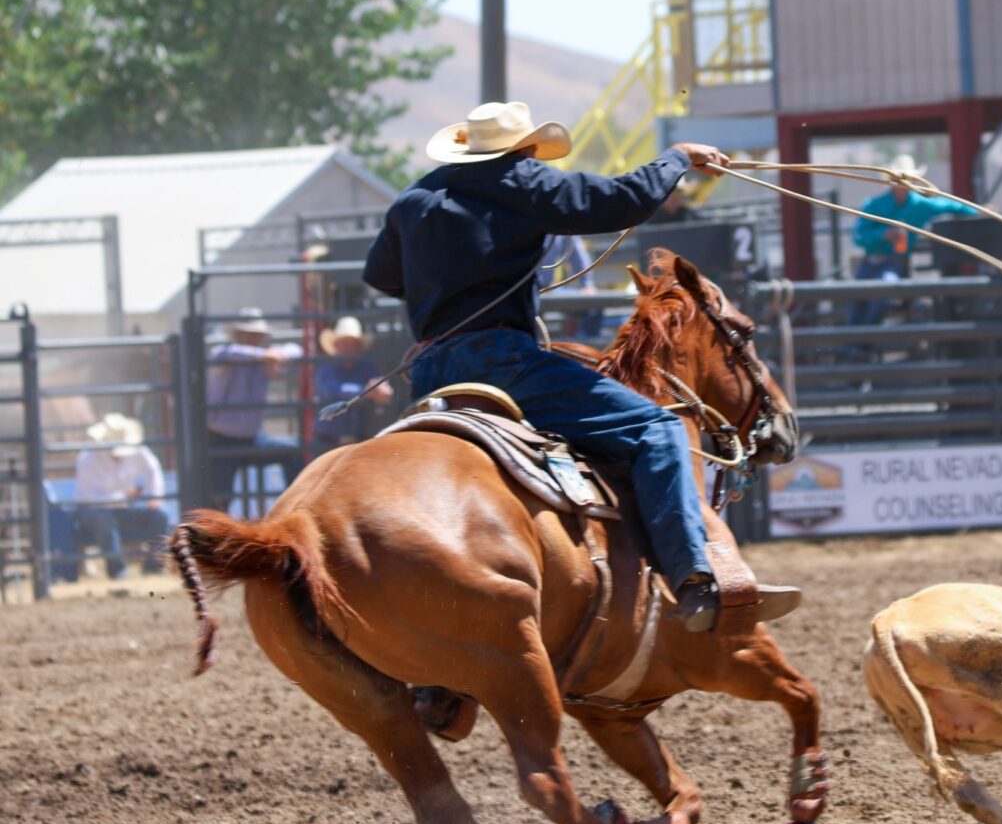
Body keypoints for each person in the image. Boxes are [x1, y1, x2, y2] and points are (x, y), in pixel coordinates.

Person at [361, 100, 797, 632]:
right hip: (502, 360)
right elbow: (618, 202)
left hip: (431, 370)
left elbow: (382, 275)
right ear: (525, 147)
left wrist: (447, 287)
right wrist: (678, 158)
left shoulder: (415, 199)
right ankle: (692, 576)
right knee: (657, 429)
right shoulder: (522, 180)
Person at [849, 154, 976, 329]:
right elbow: (858, 237)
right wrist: (883, 235)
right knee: (855, 300)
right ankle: (857, 338)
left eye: (907, 180)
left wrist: (978, 211)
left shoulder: (919, 205)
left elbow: (951, 206)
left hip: (896, 264)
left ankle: (865, 337)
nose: (903, 184)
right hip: (870, 263)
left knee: (883, 288)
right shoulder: (874, 205)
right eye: (899, 180)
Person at [205, 308, 303, 510]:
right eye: (248, 334)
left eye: (257, 335)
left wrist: (275, 355)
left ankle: (296, 508)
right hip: (220, 440)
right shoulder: (226, 355)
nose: (254, 339)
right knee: (219, 499)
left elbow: (297, 349)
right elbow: (226, 353)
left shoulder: (265, 358)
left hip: (251, 439)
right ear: (237, 335)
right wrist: (266, 355)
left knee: (292, 451)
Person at [72, 413, 169, 578]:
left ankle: (154, 565)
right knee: (103, 518)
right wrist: (123, 496)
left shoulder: (139, 451)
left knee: (160, 516)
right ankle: (117, 570)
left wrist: (155, 495)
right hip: (93, 514)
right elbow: (88, 499)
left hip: (122, 510)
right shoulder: (88, 458)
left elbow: (153, 470)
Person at [314, 316, 394, 447]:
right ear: (336, 346)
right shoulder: (326, 369)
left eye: (353, 344)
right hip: (327, 442)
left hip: (360, 442)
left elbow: (381, 389)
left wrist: (382, 391)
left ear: (359, 348)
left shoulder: (367, 369)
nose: (348, 349)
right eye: (344, 344)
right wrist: (367, 392)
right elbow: (332, 391)